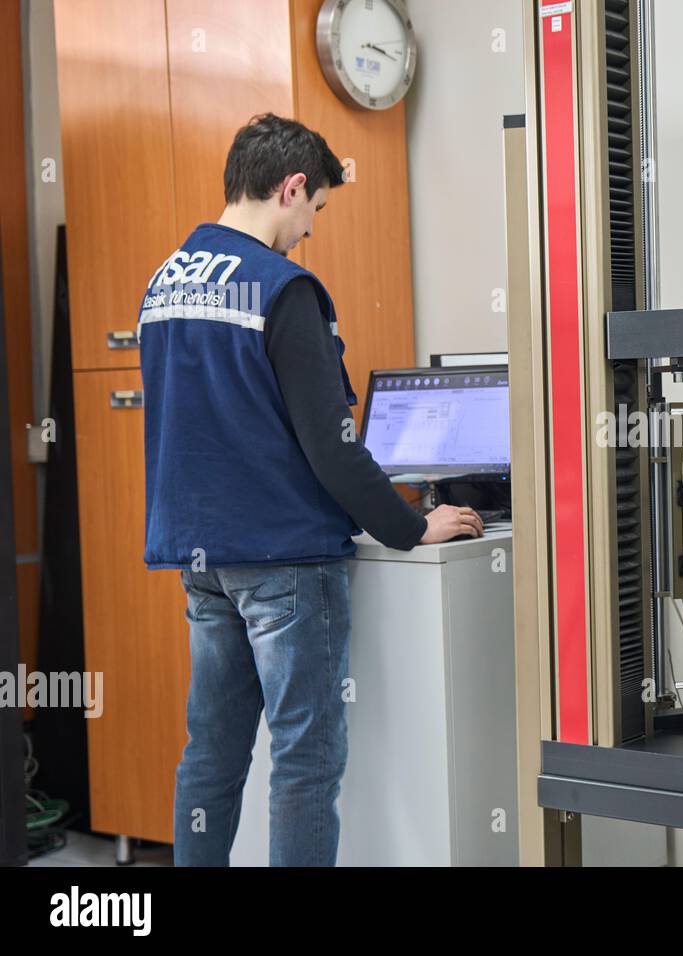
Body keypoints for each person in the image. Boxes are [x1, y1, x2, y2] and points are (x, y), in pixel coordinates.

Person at [136, 113, 483, 866]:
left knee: (212, 757)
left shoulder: (167, 280)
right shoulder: (283, 288)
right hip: (284, 560)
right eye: (315, 210)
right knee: (304, 761)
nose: (311, 232)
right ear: (291, 187)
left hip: (203, 561)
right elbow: (333, 444)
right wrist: (411, 525)